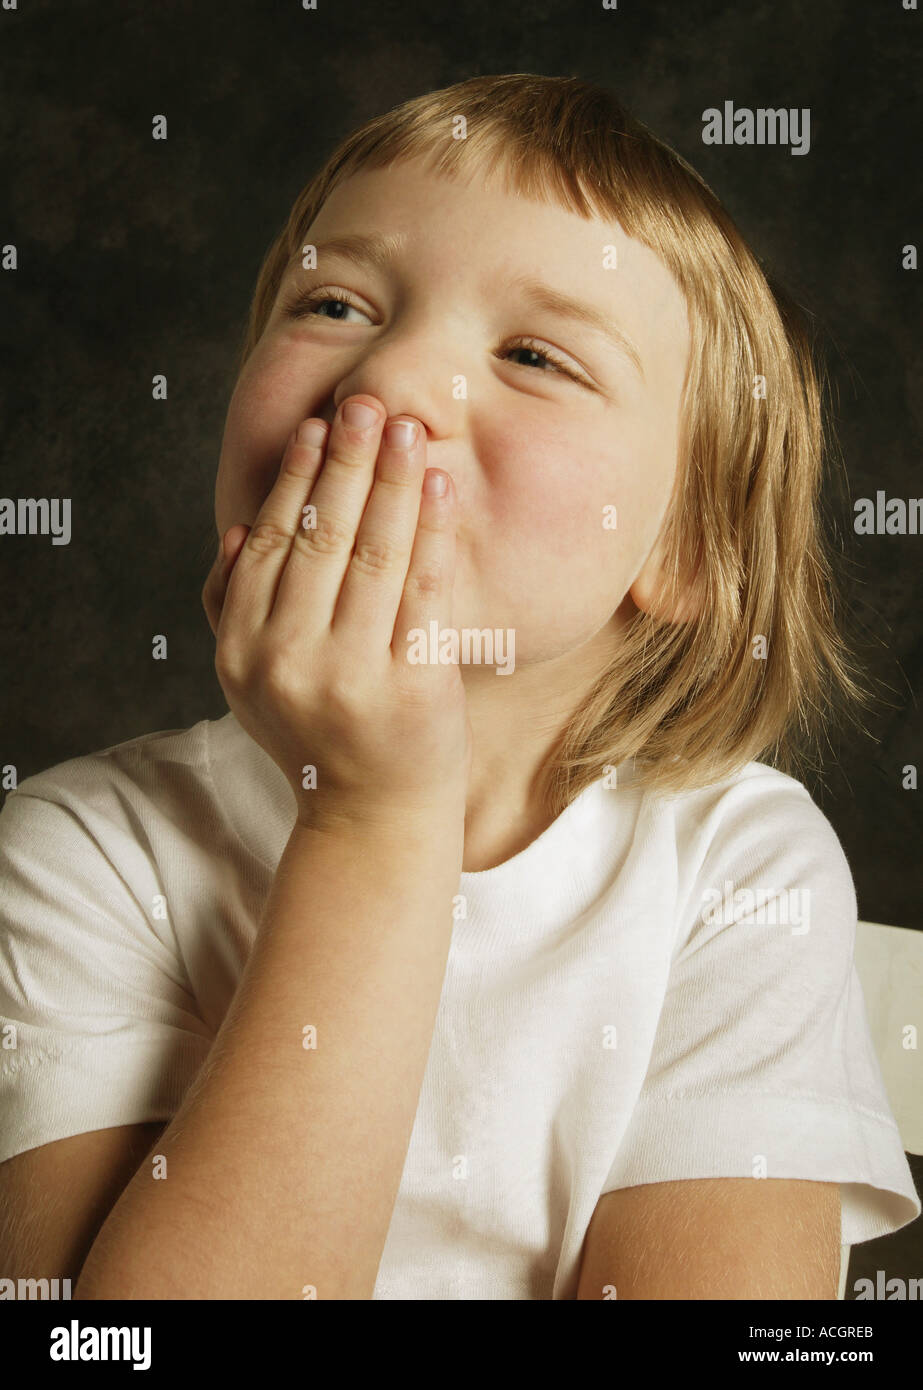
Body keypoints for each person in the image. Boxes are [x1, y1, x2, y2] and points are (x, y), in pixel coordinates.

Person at [0, 74, 917, 1301]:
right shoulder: (78, 853)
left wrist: (378, 808)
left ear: (684, 546)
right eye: (333, 302)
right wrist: (368, 821)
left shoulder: (737, 867)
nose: (385, 383)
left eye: (535, 354)